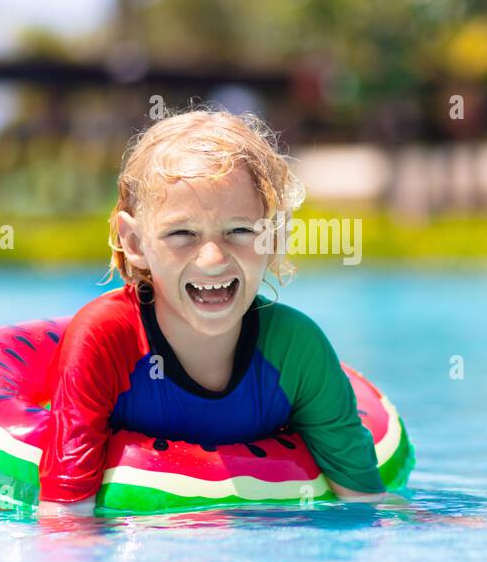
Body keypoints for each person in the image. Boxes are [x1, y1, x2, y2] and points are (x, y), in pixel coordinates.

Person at [36, 107, 408, 518]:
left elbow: (367, 508)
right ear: (135, 242)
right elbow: (63, 521)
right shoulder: (103, 341)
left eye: (240, 231)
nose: (213, 259)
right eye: (182, 233)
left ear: (274, 237)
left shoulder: (296, 351)